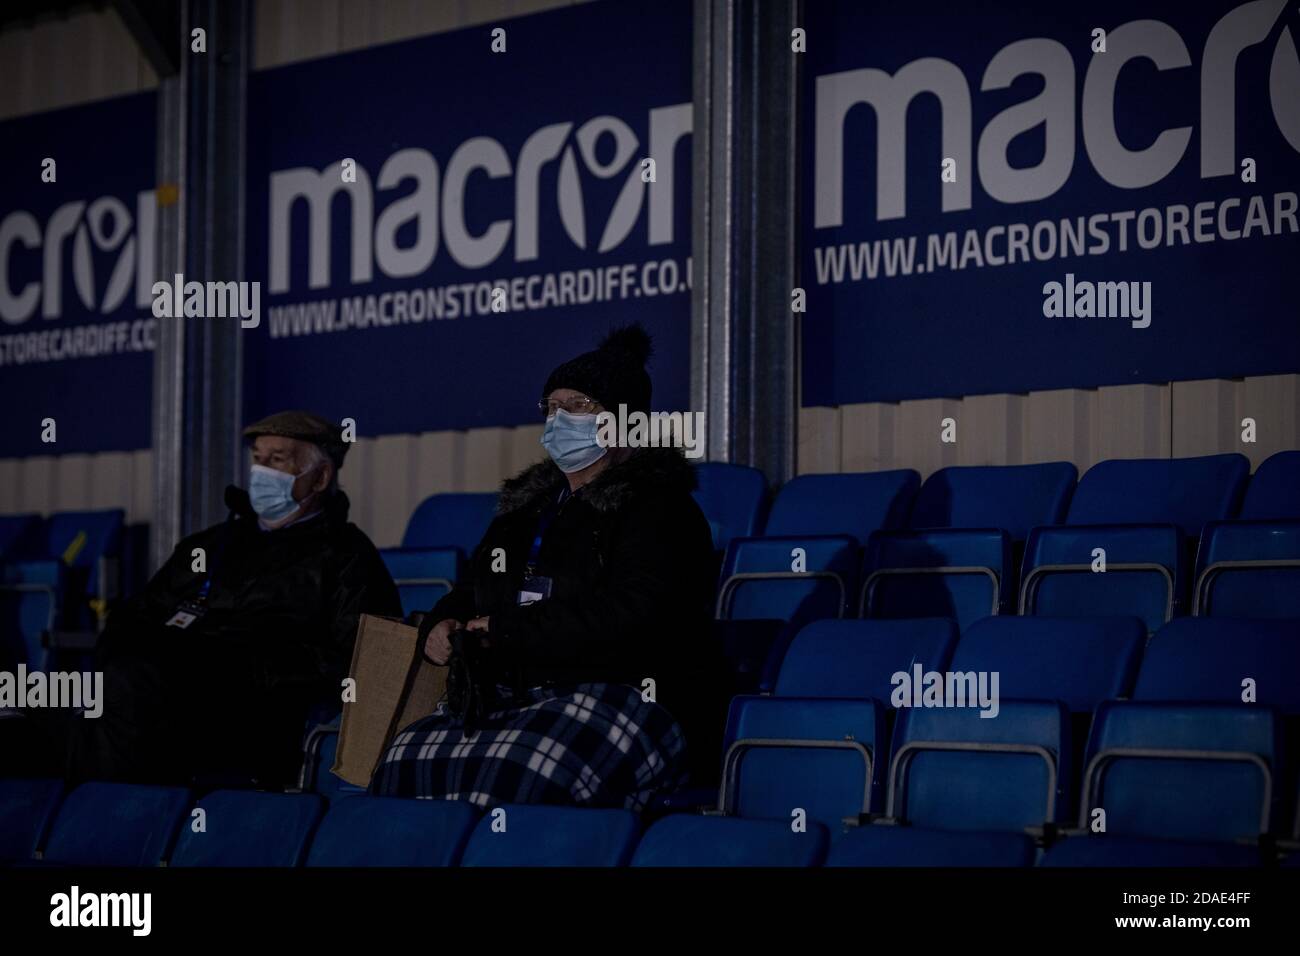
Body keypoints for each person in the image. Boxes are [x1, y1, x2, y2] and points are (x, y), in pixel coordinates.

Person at [371, 324, 720, 810]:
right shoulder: (523, 512)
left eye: (577, 406)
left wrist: (509, 630)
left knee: (517, 774)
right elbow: (473, 590)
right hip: (512, 694)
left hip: (625, 695)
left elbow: (639, 615)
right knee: (401, 764)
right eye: (551, 408)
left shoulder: (661, 509)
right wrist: (441, 623)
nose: (558, 419)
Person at [3, 411, 401, 787]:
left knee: (111, 705)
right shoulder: (212, 545)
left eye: (277, 461)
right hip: (153, 687)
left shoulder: (348, 558)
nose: (261, 473)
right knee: (30, 702)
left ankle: (103, 814)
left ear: (320, 477)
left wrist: (254, 666)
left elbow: (359, 658)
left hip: (251, 710)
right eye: (258, 460)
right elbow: (135, 616)